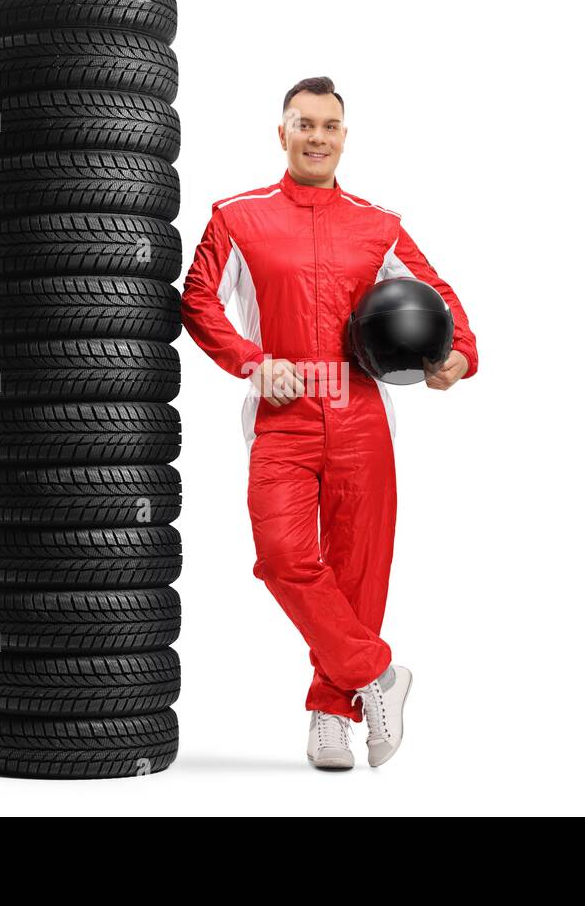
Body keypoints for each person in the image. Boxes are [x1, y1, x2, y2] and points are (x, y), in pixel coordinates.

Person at [179, 76, 479, 770]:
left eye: (330, 126)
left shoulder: (378, 223)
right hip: (282, 417)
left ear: (345, 136)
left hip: (361, 416)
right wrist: (252, 362)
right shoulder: (237, 215)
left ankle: (328, 714)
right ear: (281, 132)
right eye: (304, 123)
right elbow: (198, 301)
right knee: (283, 558)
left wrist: (456, 357)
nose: (318, 137)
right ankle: (377, 674)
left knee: (358, 571)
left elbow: (444, 298)